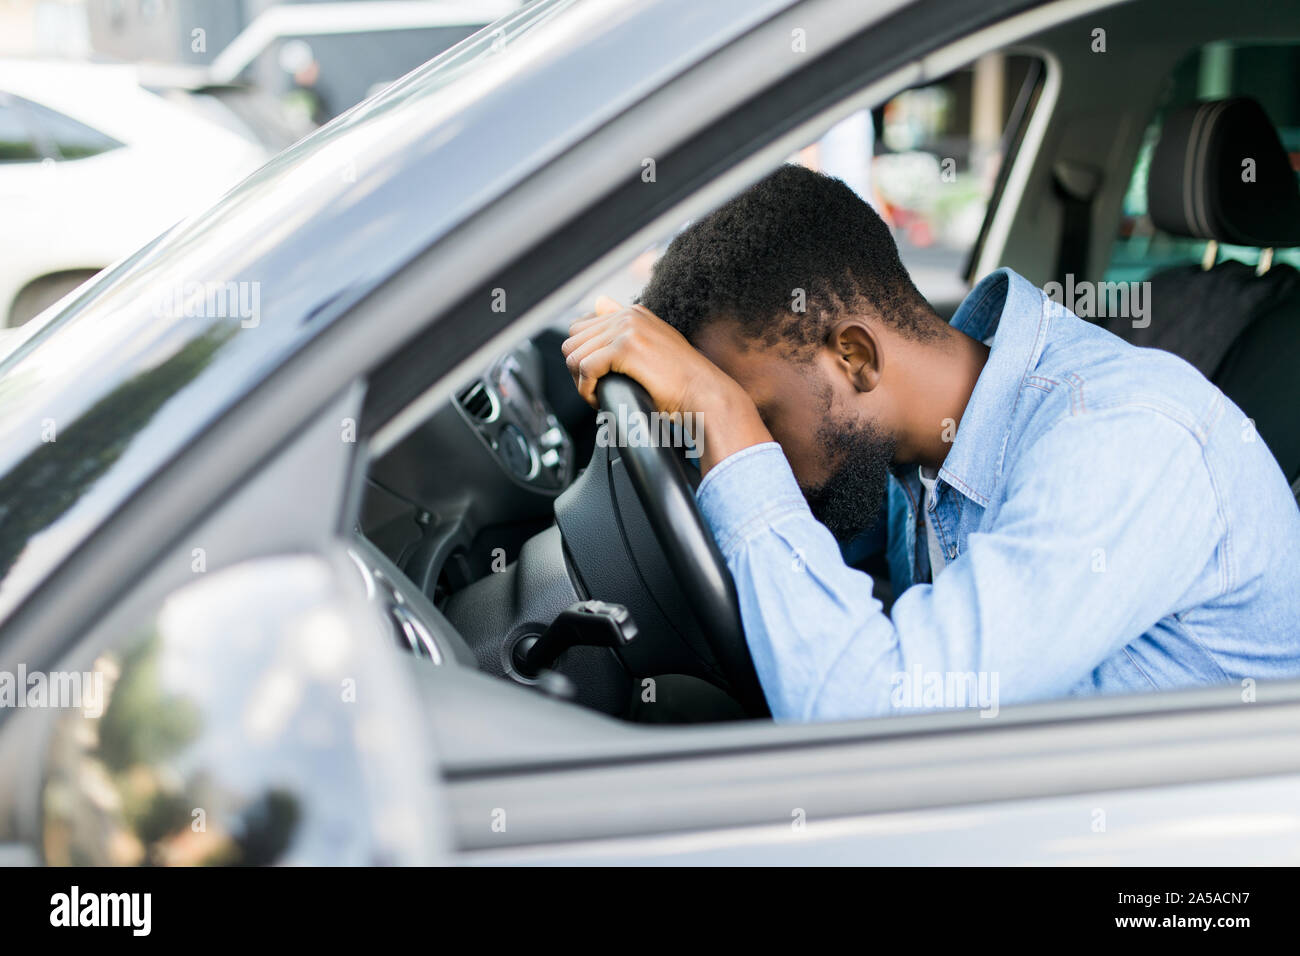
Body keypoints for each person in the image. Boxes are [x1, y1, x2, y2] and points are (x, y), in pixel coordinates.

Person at [561, 164, 1300, 722]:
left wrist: (721, 412)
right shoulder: (926, 443)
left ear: (854, 358)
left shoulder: (1126, 441)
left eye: (759, 416)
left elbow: (868, 716)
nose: (747, 443)